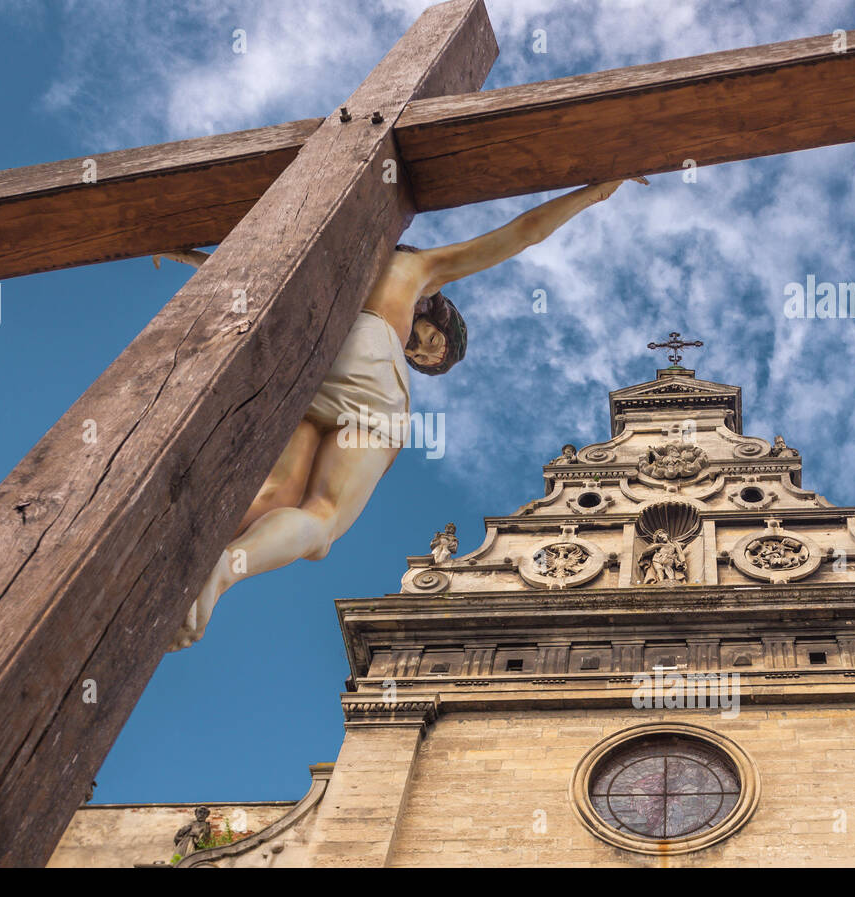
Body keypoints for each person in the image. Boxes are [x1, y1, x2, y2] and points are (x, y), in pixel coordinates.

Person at [159, 177, 648, 649]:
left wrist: (190, 254)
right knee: (322, 518)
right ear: (433, 314)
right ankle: (222, 571)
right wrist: (598, 189)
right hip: (368, 360)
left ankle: (180, 569)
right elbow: (522, 232)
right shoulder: (414, 271)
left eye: (428, 358)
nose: (426, 352)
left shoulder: (341, 264)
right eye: (432, 344)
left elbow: (270, 285)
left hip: (307, 349)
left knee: (273, 494)